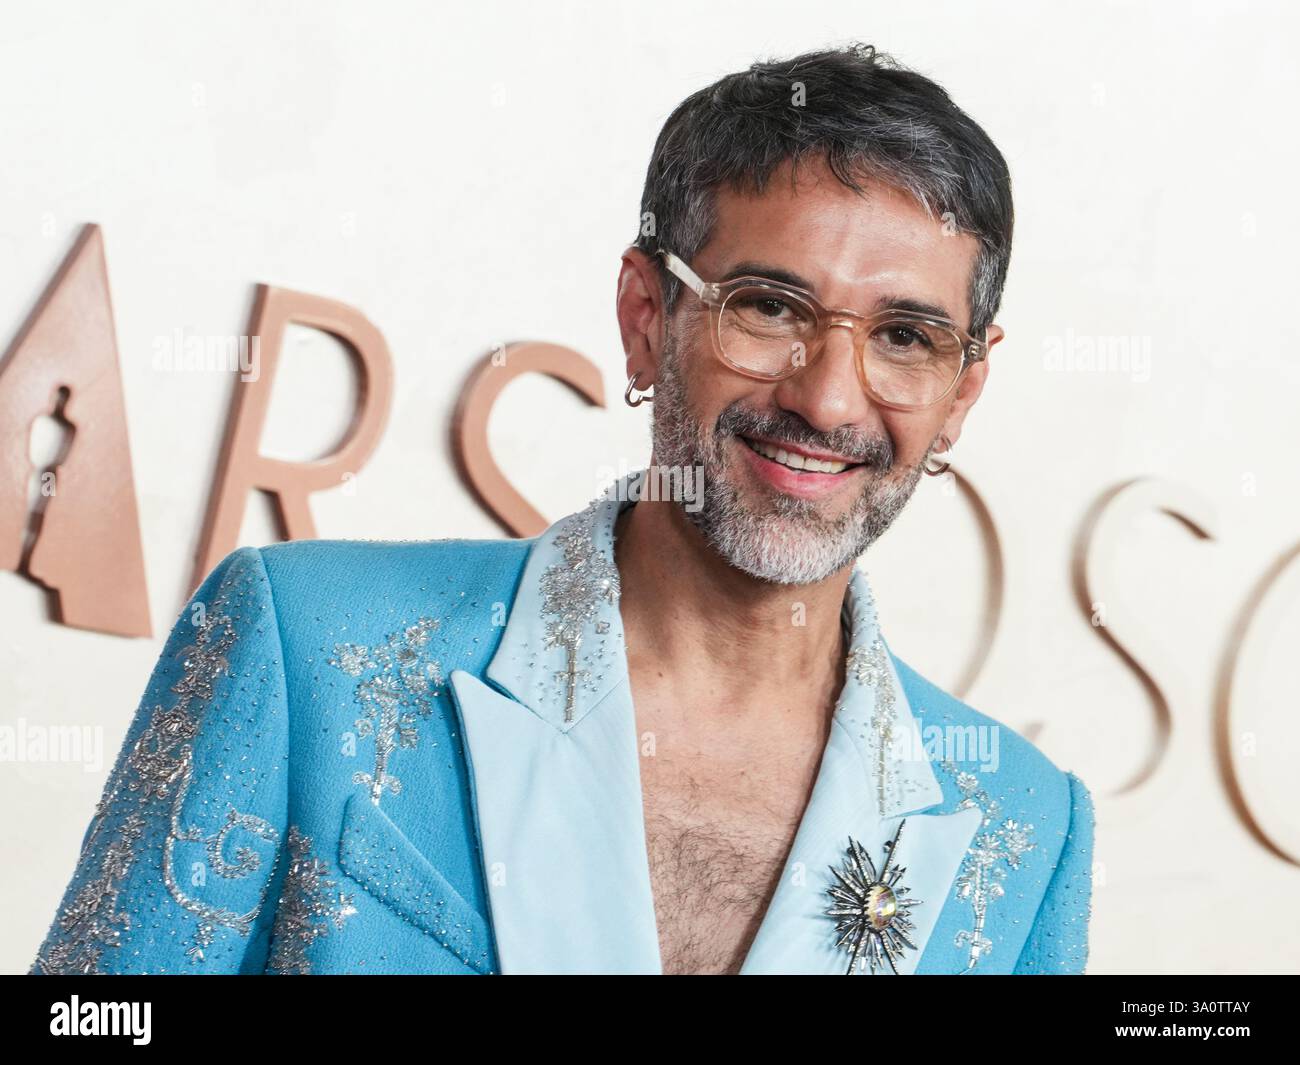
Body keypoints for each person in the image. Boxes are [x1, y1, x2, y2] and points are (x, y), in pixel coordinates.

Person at [31, 42, 1093, 976]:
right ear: (644, 316)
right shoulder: (300, 642)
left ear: (962, 390)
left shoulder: (1025, 826)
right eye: (768, 308)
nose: (824, 398)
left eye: (906, 336)